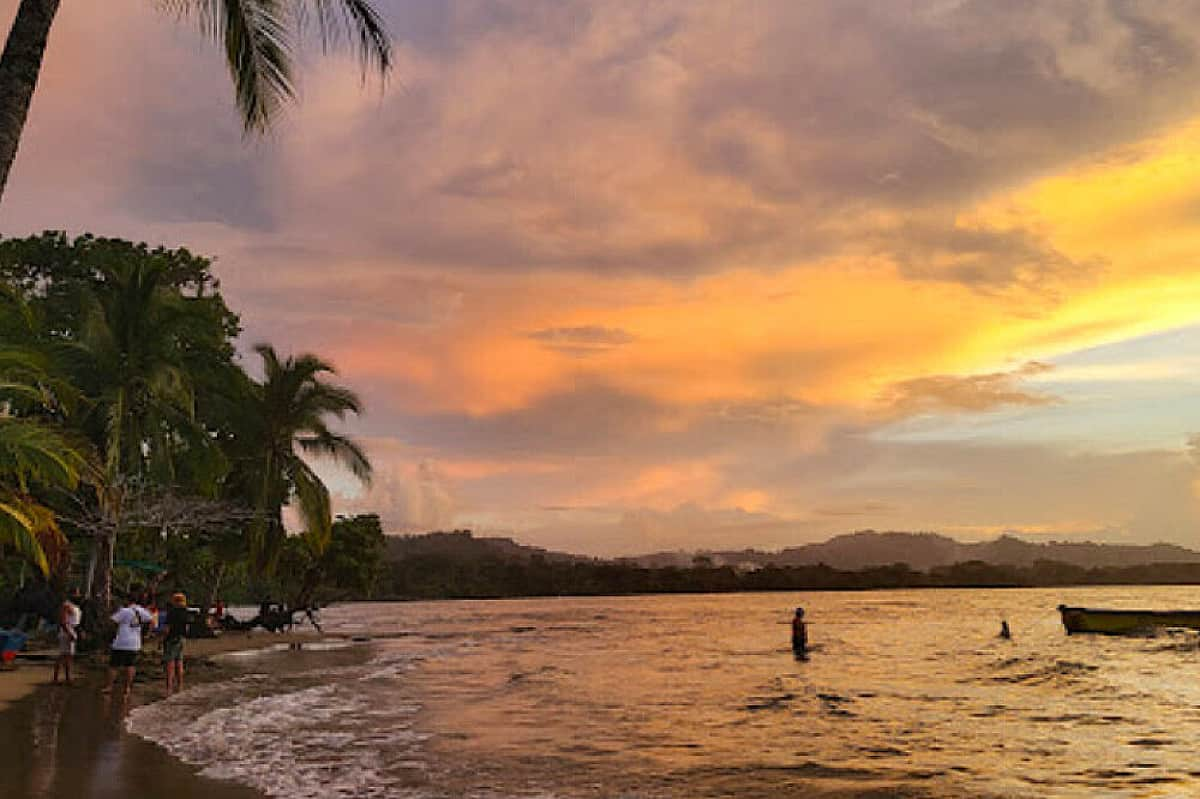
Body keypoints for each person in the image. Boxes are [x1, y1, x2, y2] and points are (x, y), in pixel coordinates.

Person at [103, 589, 153, 700]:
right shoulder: (142, 611)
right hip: (134, 643)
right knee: (130, 665)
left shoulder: (124, 611)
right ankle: (127, 688)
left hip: (121, 641)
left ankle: (109, 686)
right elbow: (151, 620)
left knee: (114, 665)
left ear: (127, 600)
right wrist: (147, 634)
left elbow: (112, 622)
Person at [162, 592, 189, 695]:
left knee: (170, 663)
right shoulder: (185, 612)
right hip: (181, 638)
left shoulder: (172, 612)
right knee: (179, 662)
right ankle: (180, 686)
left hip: (172, 639)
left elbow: (167, 628)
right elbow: (187, 627)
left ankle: (169, 688)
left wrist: (163, 639)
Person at [51, 593, 81, 685]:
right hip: (67, 632)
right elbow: (63, 621)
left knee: (68, 656)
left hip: (71, 630)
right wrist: (69, 633)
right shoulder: (67, 606)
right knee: (64, 656)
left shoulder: (74, 606)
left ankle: (67, 678)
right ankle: (60, 679)